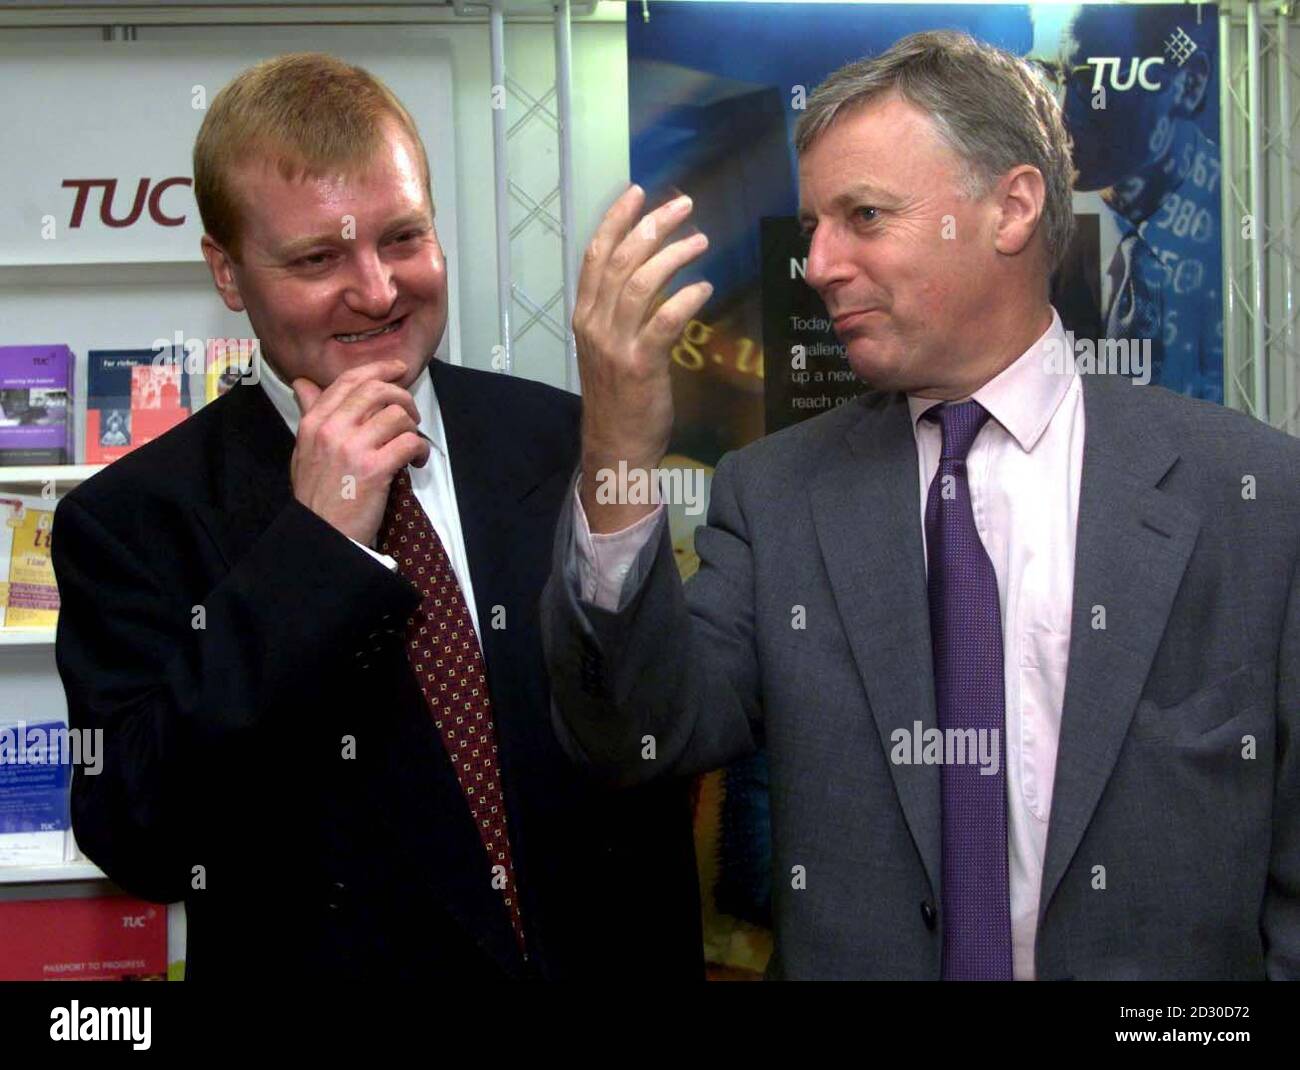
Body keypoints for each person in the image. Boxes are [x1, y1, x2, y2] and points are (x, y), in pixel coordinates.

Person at [541, 30, 1299, 980]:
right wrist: (617, 450)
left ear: (1011, 208)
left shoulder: (1257, 498)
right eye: (813, 225)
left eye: (863, 216)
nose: (817, 263)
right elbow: (637, 737)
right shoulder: (777, 497)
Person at [52, 52, 701, 982]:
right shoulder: (132, 519)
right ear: (227, 273)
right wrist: (314, 552)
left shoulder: (560, 438)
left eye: (403, 238)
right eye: (318, 257)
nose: (378, 289)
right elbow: (144, 834)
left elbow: (649, 746)